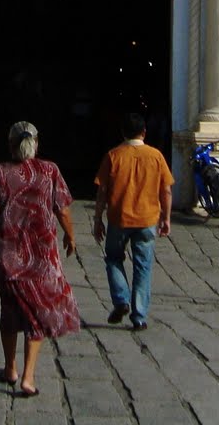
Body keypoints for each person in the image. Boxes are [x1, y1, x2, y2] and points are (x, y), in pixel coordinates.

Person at [0, 121, 81, 397]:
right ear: (36, 144)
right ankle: (28, 377)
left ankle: (10, 368)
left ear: (10, 145)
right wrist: (70, 235)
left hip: (9, 255)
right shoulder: (49, 171)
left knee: (10, 309)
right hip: (43, 254)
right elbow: (62, 209)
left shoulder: (1, 172)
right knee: (37, 311)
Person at [93, 111, 173, 331]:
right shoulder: (155, 156)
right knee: (143, 267)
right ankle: (139, 317)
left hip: (119, 218)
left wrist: (97, 218)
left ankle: (121, 300)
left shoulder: (113, 155)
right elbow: (166, 190)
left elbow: (102, 191)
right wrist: (166, 217)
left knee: (113, 259)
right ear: (144, 132)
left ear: (122, 132)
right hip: (147, 219)